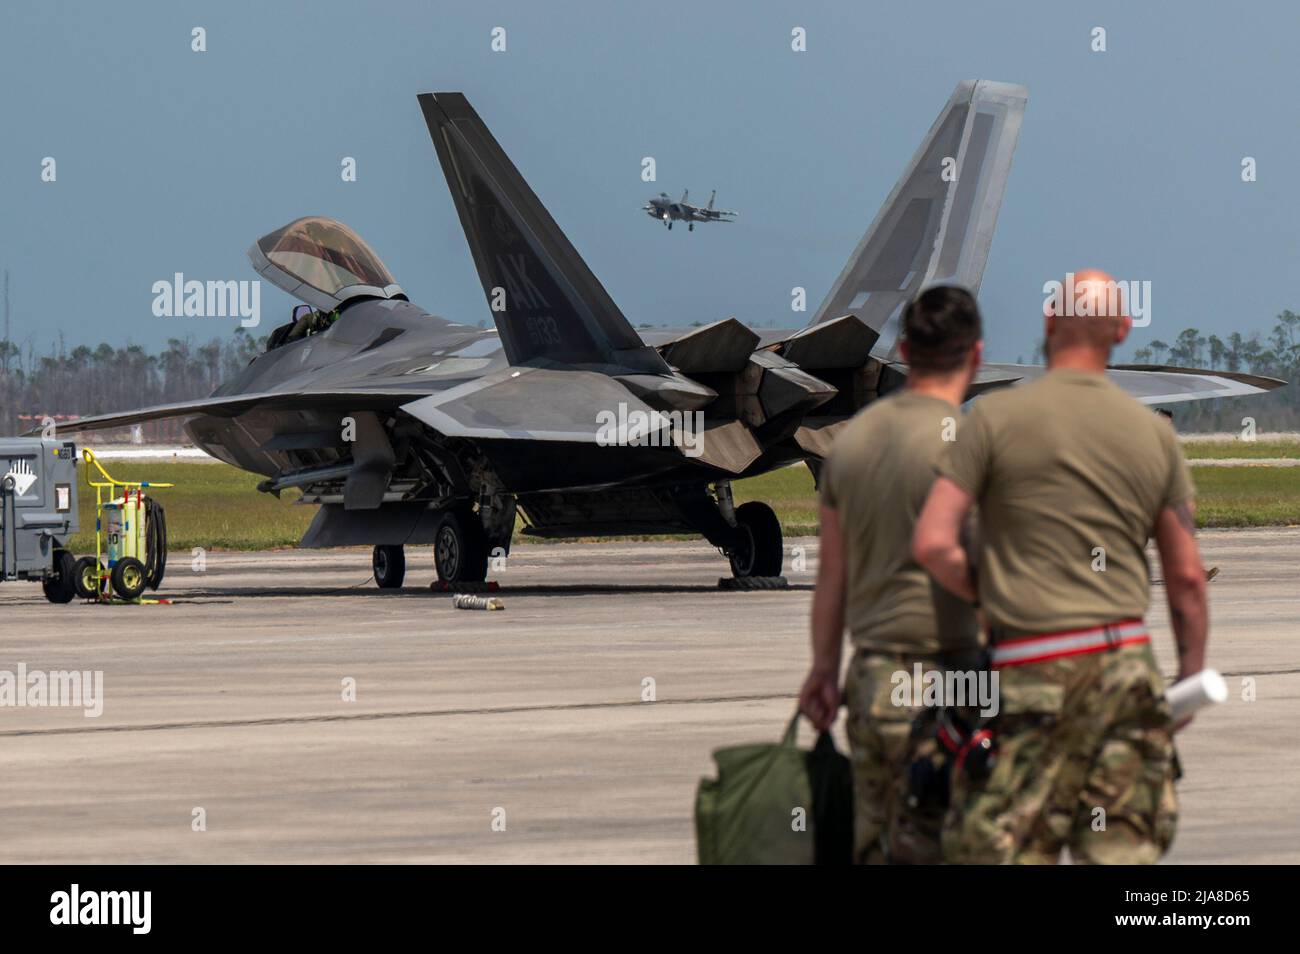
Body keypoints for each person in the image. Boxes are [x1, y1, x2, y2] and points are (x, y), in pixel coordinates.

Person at [912, 269, 1208, 864]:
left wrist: (991, 593)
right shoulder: (1154, 436)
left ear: (1048, 324)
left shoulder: (993, 422)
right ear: (1123, 330)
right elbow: (1186, 579)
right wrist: (1189, 684)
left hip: (1027, 669)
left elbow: (934, 543)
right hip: (1121, 670)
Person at [798, 285, 984, 864]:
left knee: (873, 844)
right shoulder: (975, 444)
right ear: (975, 355)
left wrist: (825, 672)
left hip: (872, 679)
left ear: (902, 350)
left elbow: (832, 576)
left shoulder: (850, 444)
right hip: (950, 685)